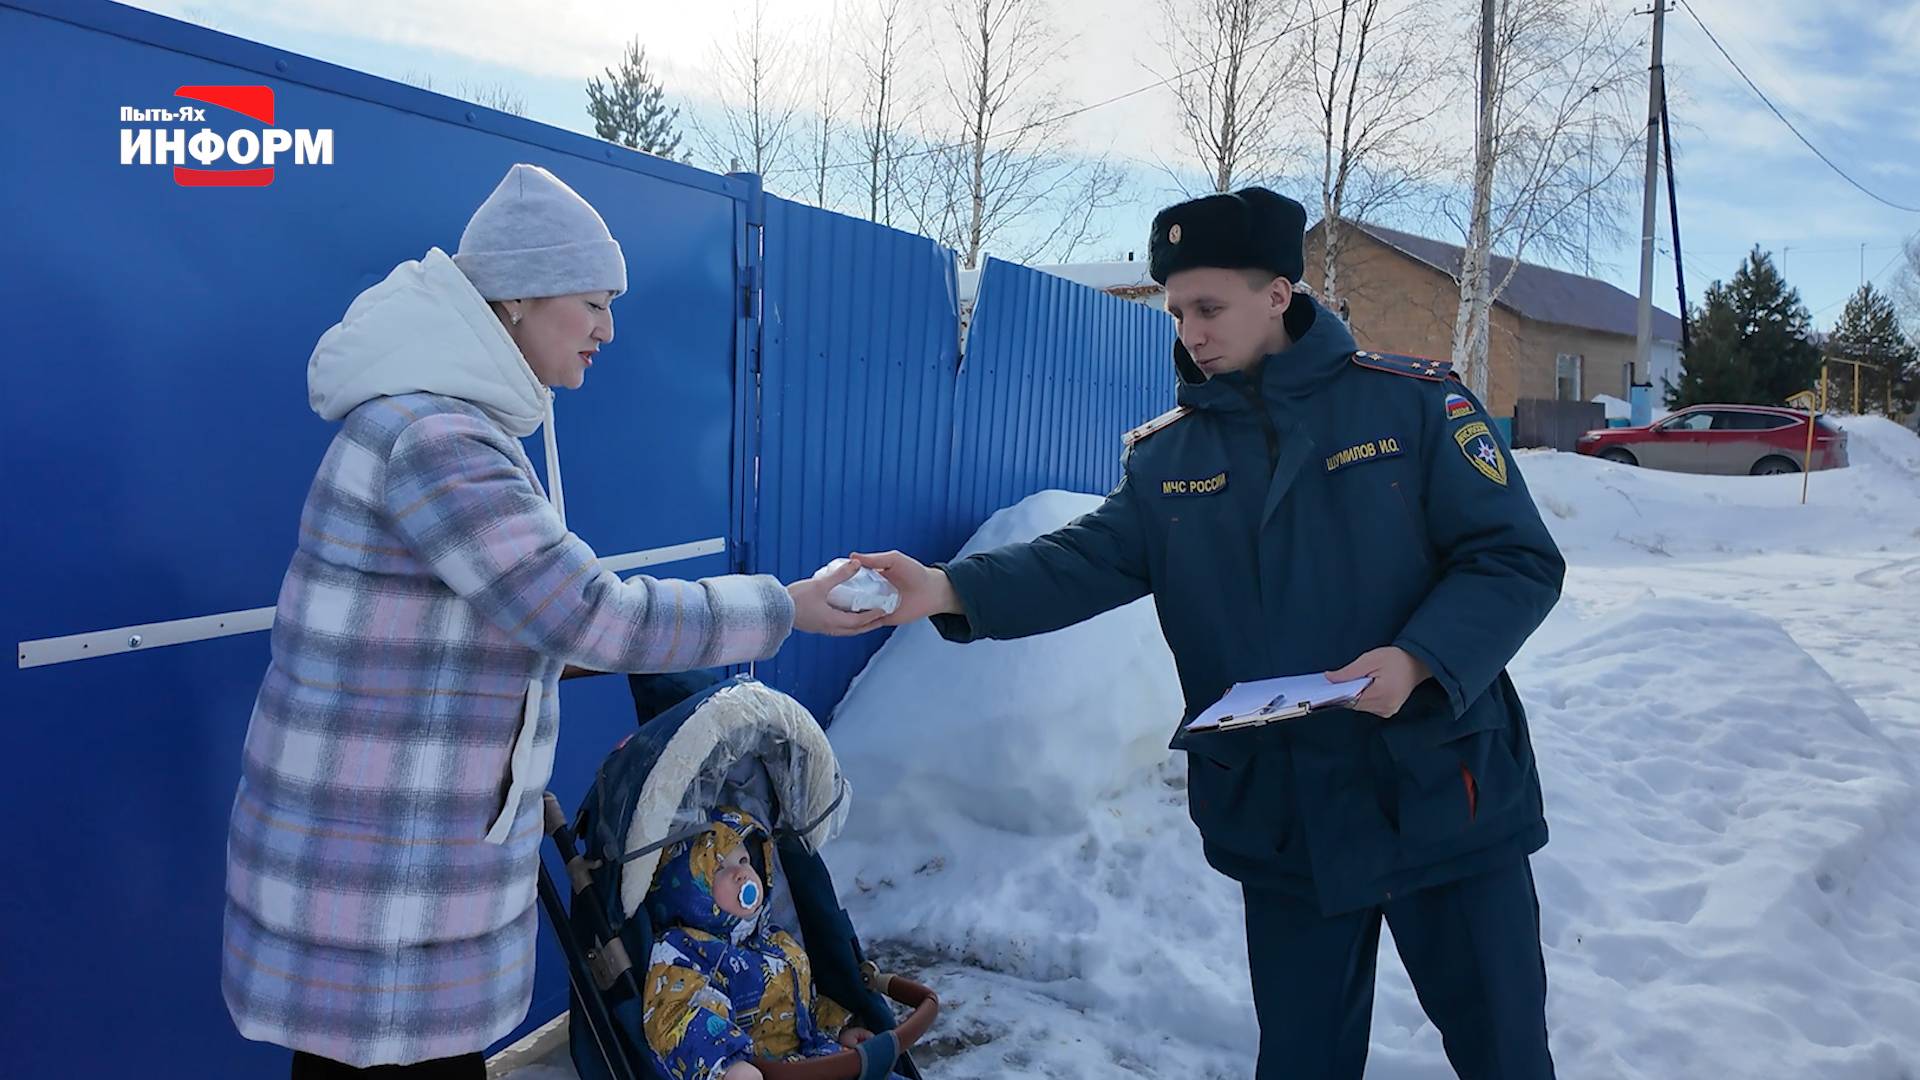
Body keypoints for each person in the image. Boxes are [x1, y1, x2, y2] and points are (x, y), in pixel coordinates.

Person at [854, 188, 1567, 1079]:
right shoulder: (1171, 457)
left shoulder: (1413, 410)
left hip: (1438, 790)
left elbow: (1515, 560)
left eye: (1209, 307)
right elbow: (1081, 561)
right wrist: (949, 588)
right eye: (1177, 310)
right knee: (1302, 1060)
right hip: (1286, 815)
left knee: (1503, 1052)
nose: (1189, 331)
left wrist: (1419, 657)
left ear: (1278, 293)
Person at [222, 163, 880, 1079]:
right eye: (593, 301)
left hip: (392, 864)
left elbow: (490, 625)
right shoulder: (438, 440)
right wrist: (786, 607)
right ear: (522, 298)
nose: (610, 328)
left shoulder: (446, 423)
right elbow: (585, 612)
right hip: (382, 877)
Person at [641, 807, 878, 1080]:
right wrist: (729, 1067)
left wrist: (839, 1029)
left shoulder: (777, 941)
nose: (741, 873)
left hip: (815, 1061)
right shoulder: (683, 951)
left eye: (743, 860)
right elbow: (677, 1016)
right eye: (721, 868)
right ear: (688, 890)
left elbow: (804, 1007)